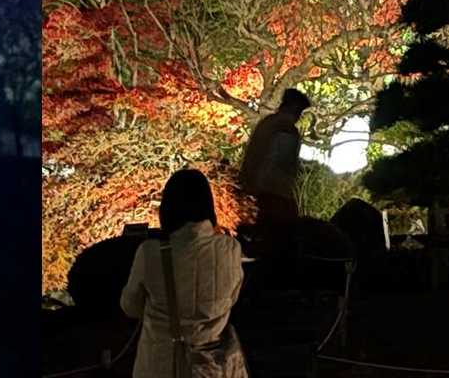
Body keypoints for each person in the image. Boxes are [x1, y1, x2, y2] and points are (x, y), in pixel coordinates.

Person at [121, 169, 248, 378]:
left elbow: (130, 307)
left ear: (168, 208)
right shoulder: (231, 250)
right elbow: (231, 299)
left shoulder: (150, 254)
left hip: (160, 366)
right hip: (212, 368)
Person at [238, 89, 309, 270]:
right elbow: (279, 169)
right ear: (294, 109)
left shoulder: (266, 123)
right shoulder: (287, 130)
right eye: (299, 112)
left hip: (249, 193)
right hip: (270, 198)